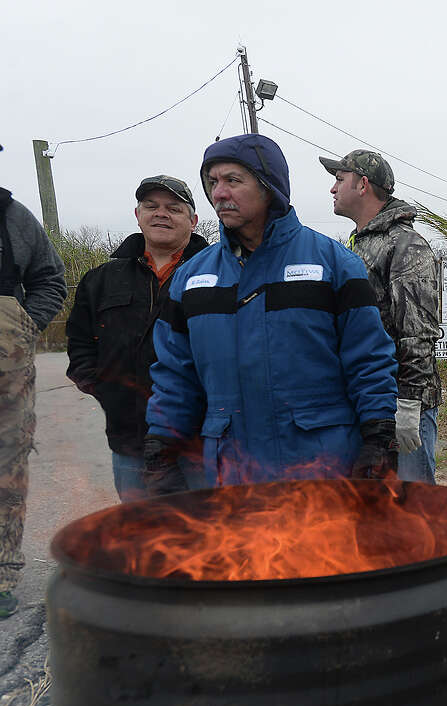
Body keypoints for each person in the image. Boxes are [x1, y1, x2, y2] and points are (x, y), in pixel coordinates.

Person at [144, 133, 398, 492]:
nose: (219, 193)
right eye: (213, 182)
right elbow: (174, 376)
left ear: (269, 187)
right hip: (233, 475)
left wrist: (378, 434)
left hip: (321, 468)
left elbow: (369, 359)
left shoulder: (334, 264)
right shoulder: (192, 279)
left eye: (233, 180)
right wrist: (162, 445)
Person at [66, 175, 209, 501]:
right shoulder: (101, 280)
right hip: (130, 437)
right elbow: (79, 342)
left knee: (210, 534)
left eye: (174, 208)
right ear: (137, 214)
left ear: (193, 220)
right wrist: (105, 389)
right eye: (151, 206)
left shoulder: (217, 274)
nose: (161, 214)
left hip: (201, 440)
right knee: (141, 534)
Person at [323, 149, 442, 483]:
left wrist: (409, 407)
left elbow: (418, 334)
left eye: (339, 179)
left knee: (411, 510)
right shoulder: (357, 245)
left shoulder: (405, 244)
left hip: (401, 406)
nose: (332, 189)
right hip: (368, 402)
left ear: (362, 185)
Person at [0, 146, 67, 618]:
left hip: (6, 362)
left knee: (6, 466)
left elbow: (51, 279)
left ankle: (2, 573)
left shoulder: (14, 218)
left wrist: (24, 323)